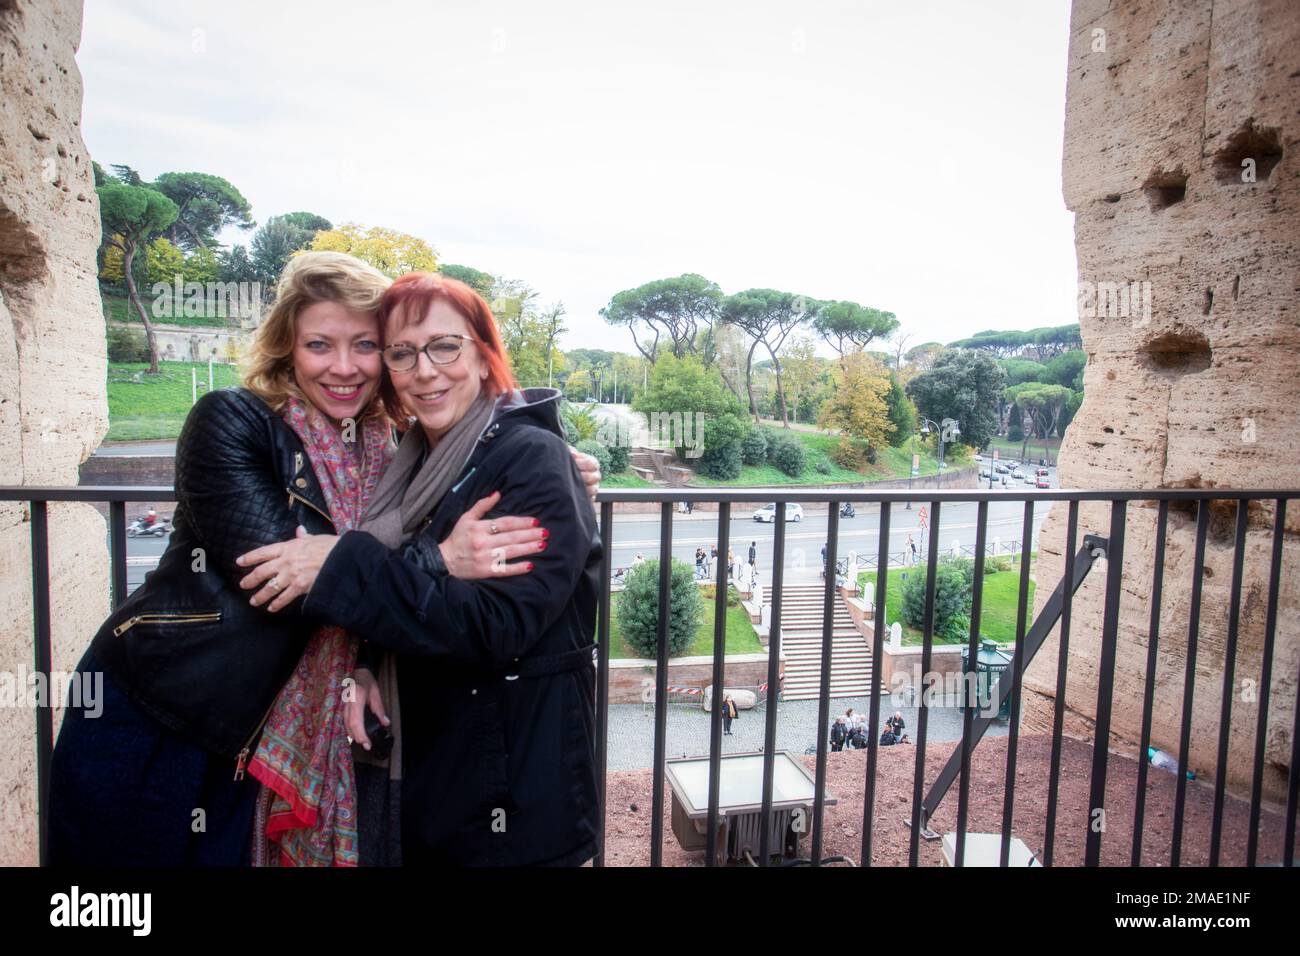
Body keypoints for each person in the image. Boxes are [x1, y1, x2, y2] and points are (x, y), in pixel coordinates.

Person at [48, 254, 603, 868]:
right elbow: (290, 581)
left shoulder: (392, 453)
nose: (344, 367)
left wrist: (553, 460)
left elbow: (363, 574)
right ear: (288, 346)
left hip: (271, 740)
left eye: (365, 345)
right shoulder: (233, 424)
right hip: (170, 714)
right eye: (319, 344)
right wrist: (438, 557)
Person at [237, 272, 602, 866]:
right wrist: (365, 664)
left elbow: (494, 627)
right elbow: (420, 598)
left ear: (485, 358)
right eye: (403, 353)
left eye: (445, 346)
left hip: (514, 792)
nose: (425, 371)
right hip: (440, 778)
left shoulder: (530, 458)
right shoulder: (411, 460)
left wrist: (340, 562)